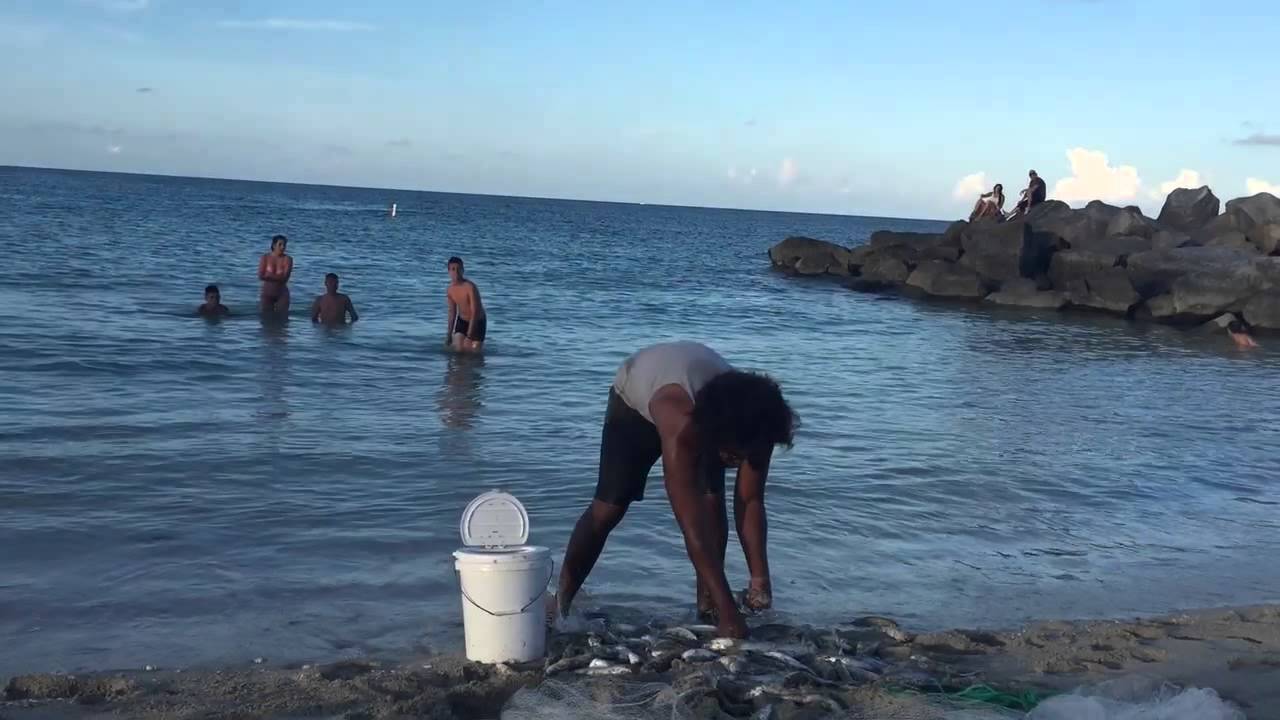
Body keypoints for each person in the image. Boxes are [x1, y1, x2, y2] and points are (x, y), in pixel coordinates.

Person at [556, 341, 798, 639]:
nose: (737, 465)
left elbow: (750, 500)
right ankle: (561, 604)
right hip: (635, 398)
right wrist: (731, 610)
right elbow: (691, 527)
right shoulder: (681, 423)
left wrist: (760, 580)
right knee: (610, 507)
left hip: (711, 405)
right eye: (733, 457)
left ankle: (708, 610)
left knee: (713, 502)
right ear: (716, 437)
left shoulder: (759, 424)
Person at [445, 256, 486, 352]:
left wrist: (469, 335)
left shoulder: (470, 287)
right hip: (462, 321)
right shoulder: (450, 290)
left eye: (459, 269)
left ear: (463, 270)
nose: (456, 272)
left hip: (477, 321)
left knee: (473, 352)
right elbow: (452, 313)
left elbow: (474, 312)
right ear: (449, 271)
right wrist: (449, 334)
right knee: (458, 349)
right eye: (453, 269)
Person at [258, 234, 293, 316]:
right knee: (266, 320)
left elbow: (285, 278)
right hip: (267, 293)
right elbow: (260, 276)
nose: (283, 247)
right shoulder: (265, 257)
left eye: (284, 245)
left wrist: (269, 276)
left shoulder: (287, 259)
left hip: (281, 294)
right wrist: (277, 277)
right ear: (274, 245)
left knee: (282, 319)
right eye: (280, 244)